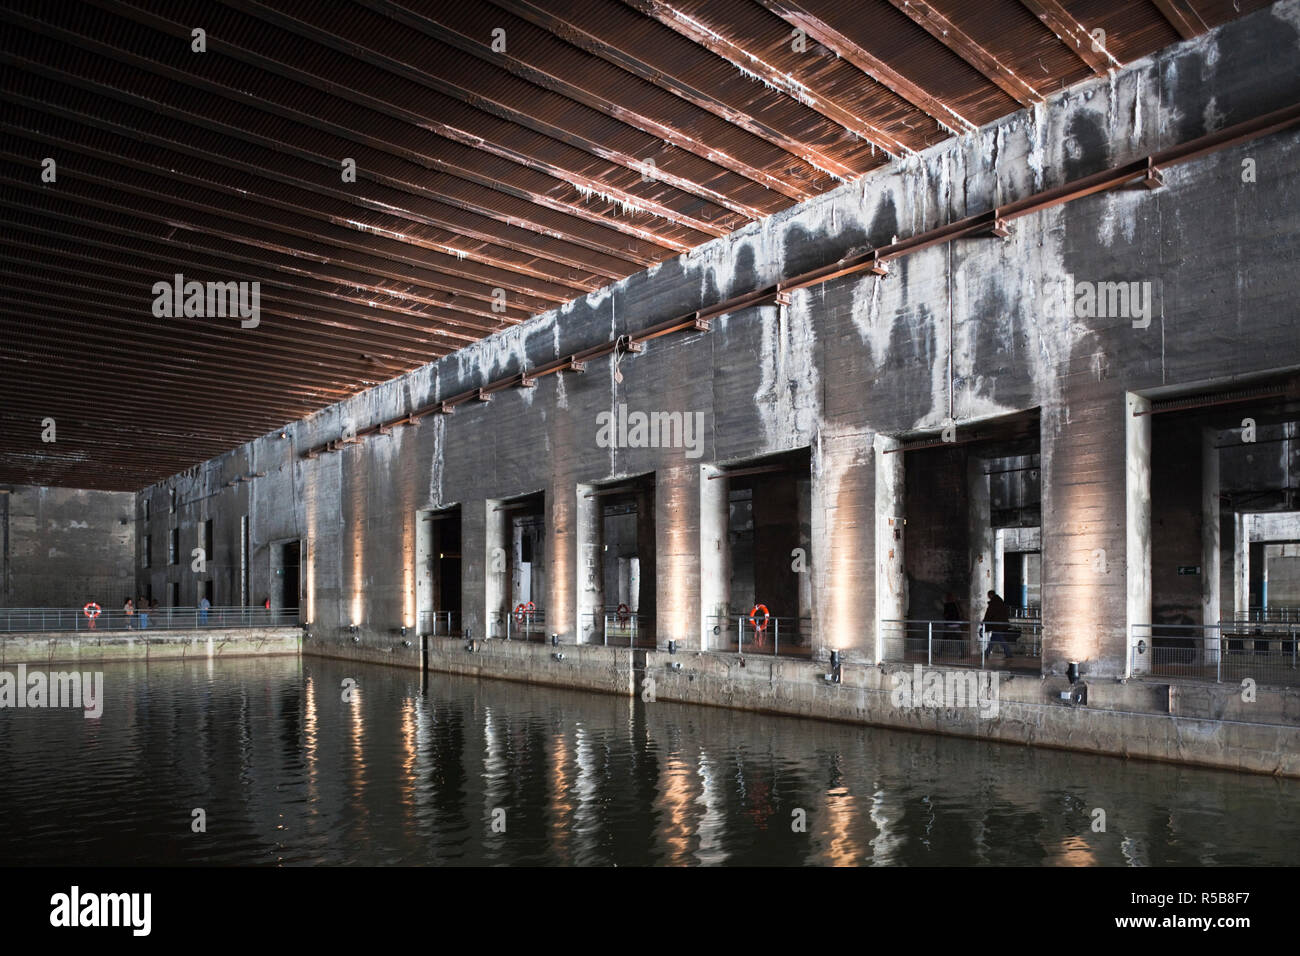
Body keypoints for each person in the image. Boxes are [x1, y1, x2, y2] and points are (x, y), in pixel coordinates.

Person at [982, 590, 1016, 658]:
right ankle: (986, 653)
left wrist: (984, 621)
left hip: (997, 625)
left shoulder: (993, 603)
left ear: (990, 595)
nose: (988, 597)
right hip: (1000, 624)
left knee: (1000, 639)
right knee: (994, 639)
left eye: (988, 595)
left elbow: (989, 613)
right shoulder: (1000, 601)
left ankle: (1008, 654)